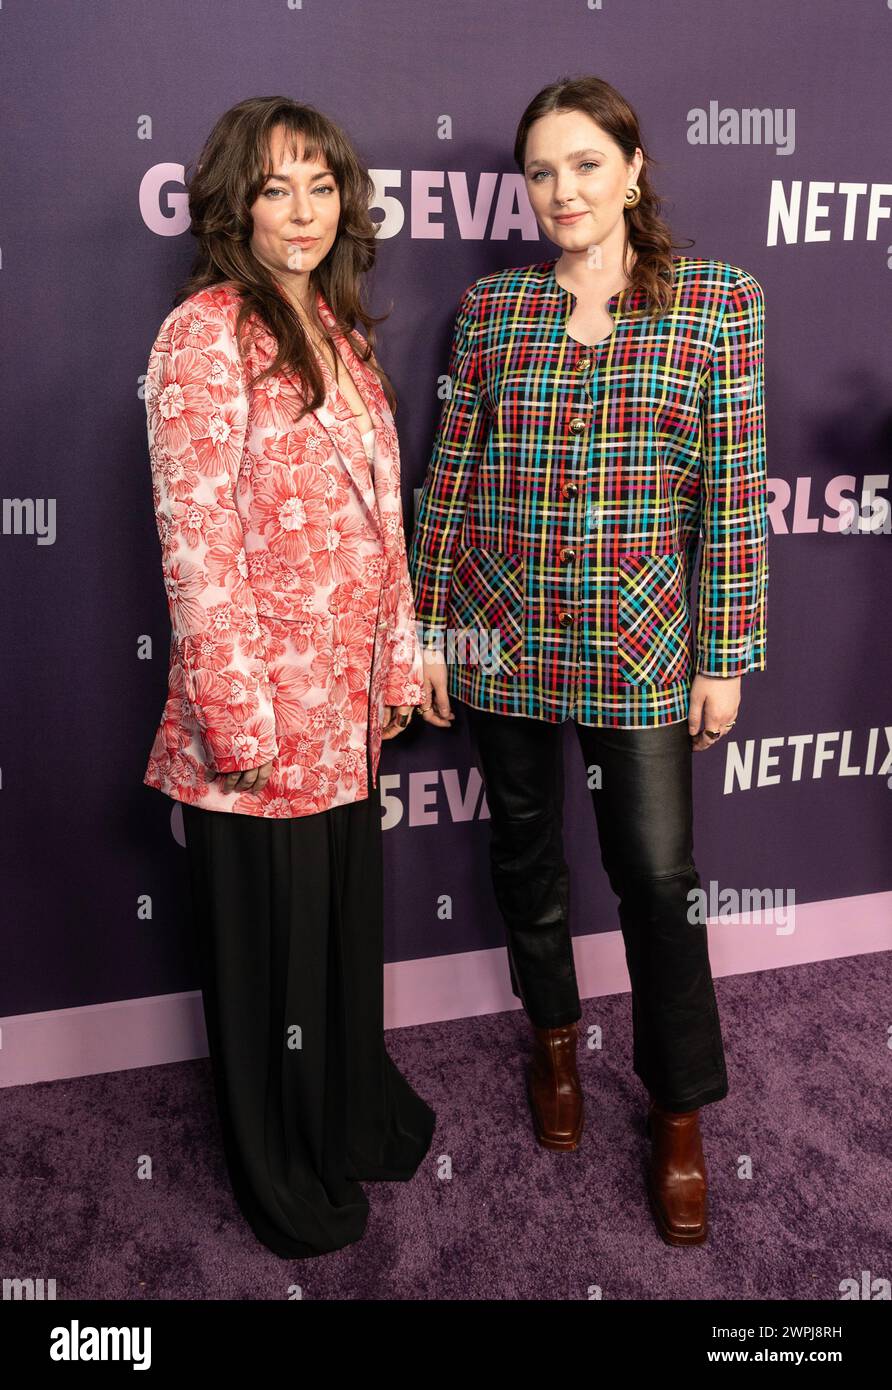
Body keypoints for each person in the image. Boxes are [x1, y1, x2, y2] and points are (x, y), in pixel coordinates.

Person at [408, 75, 768, 1247]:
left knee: (658, 881)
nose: (562, 191)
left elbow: (730, 499)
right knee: (525, 854)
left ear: (634, 166)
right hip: (503, 634)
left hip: (645, 644)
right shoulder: (493, 310)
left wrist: (724, 657)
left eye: (584, 164)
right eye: (541, 172)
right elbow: (448, 482)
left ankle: (677, 1114)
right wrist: (428, 629)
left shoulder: (719, 304)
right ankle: (553, 1047)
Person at [143, 96, 435, 1259]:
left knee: (339, 941)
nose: (303, 209)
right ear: (233, 205)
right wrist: (236, 718)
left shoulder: (346, 333)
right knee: (273, 968)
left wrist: (403, 661)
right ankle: (281, 1175)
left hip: (350, 716)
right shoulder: (204, 333)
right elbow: (194, 538)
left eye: (320, 185)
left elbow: (385, 525)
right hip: (258, 723)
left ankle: (349, 1112)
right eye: (276, 187)